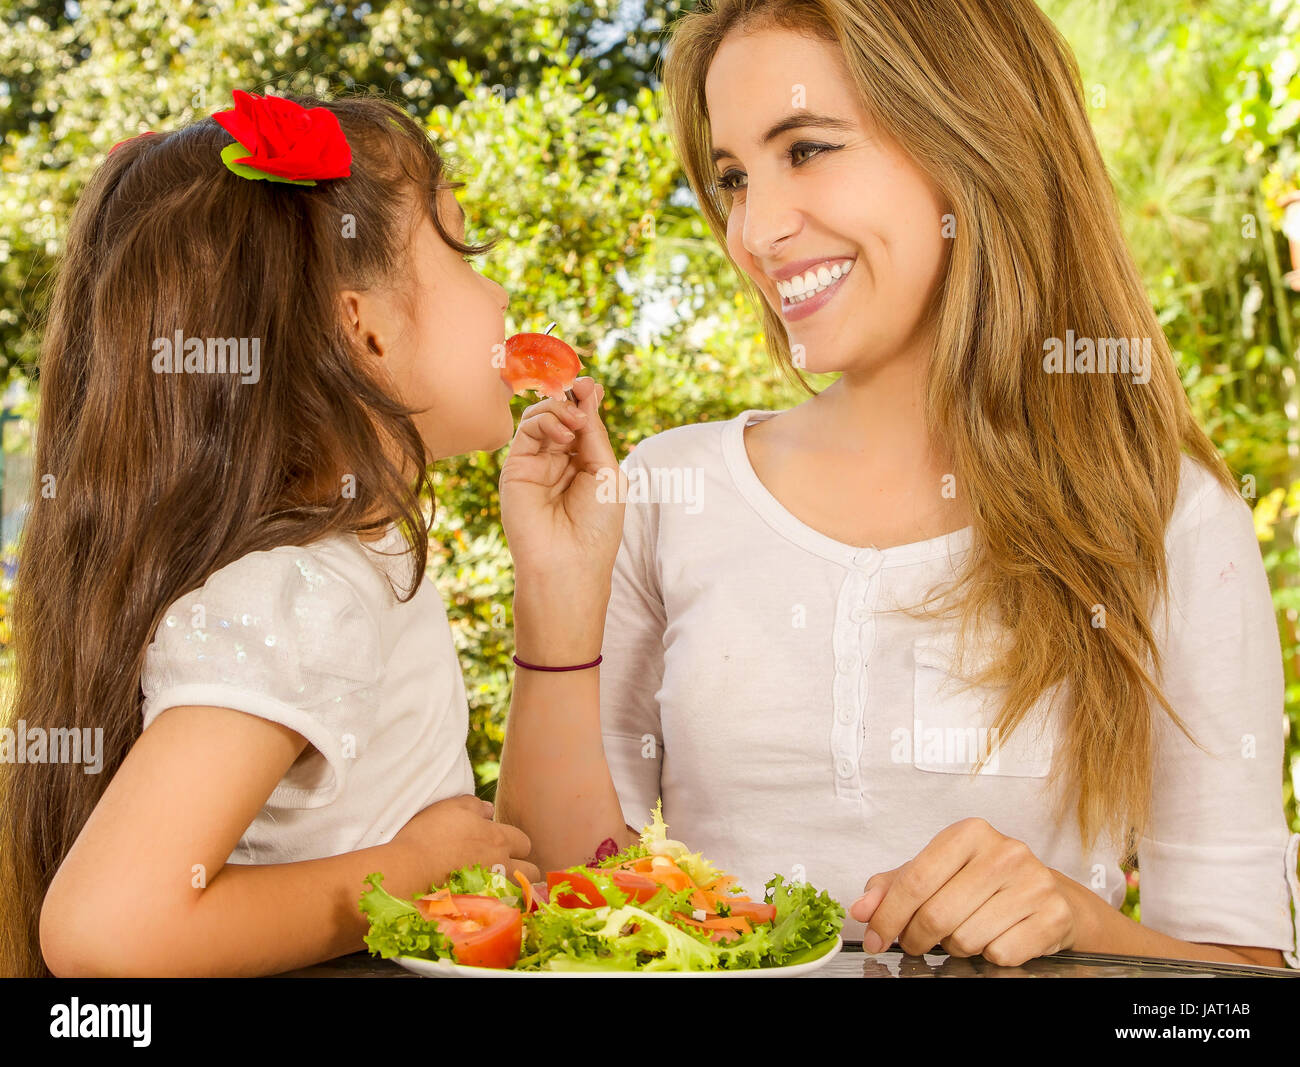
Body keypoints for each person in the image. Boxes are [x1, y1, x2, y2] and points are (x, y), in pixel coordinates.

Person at [495, 0, 1300, 968]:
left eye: (807, 150)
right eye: (733, 177)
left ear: (973, 141)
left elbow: (1238, 983)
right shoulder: (667, 489)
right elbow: (569, 908)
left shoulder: (1164, 516)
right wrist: (554, 607)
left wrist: (1078, 922)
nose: (755, 228)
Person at [0, 89, 616, 977]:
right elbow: (108, 929)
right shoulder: (302, 596)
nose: (502, 290)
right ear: (361, 329)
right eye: (466, 250)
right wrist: (411, 873)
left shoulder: (356, 565)